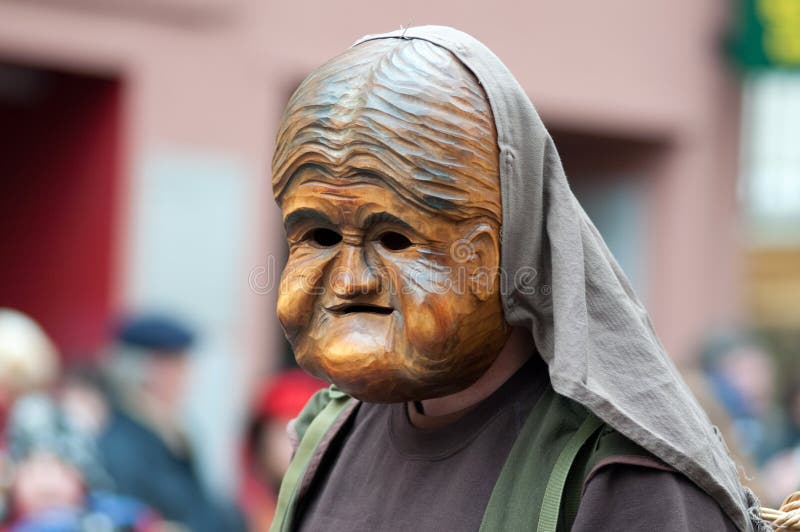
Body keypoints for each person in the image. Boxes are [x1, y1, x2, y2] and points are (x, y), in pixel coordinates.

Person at [268, 27, 767, 531]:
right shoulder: (327, 432)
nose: (351, 280)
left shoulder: (624, 479)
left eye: (394, 239)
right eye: (320, 236)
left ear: (492, 255)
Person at [97, 313, 245, 532]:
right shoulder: (120, 446)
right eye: (175, 365)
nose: (186, 377)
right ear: (143, 371)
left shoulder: (177, 434)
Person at [2, 394, 160, 531]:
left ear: (84, 478)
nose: (46, 485)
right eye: (32, 473)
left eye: (61, 470)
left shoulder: (125, 519)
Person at [240, 368, 326, 531]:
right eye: (283, 430)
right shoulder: (241, 512)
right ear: (261, 439)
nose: (293, 443)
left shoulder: (331, 509)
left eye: (305, 432)